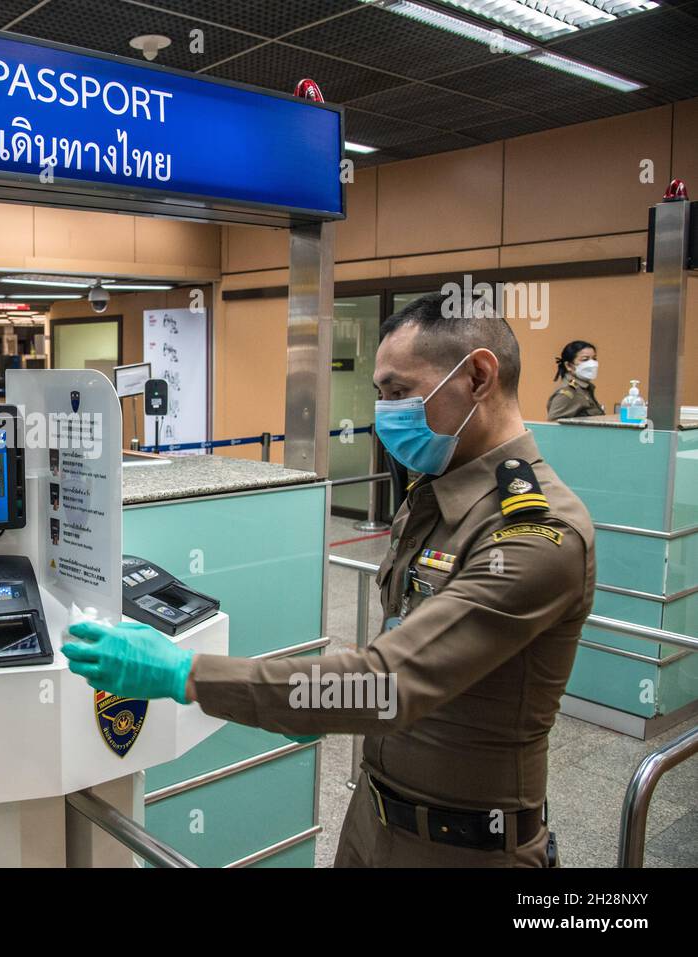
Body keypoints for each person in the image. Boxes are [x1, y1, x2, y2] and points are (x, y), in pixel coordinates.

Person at [63, 292, 595, 867]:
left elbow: (386, 682)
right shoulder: (435, 497)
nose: (386, 412)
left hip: (464, 848)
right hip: (372, 818)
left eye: (399, 392)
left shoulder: (534, 535)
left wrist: (183, 673)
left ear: (478, 376)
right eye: (380, 395)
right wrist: (306, 700)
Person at [547, 340, 604, 419]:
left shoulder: (584, 389)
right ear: (569, 366)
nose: (592, 364)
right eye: (585, 359)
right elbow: (554, 425)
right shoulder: (568, 392)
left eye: (594, 359)